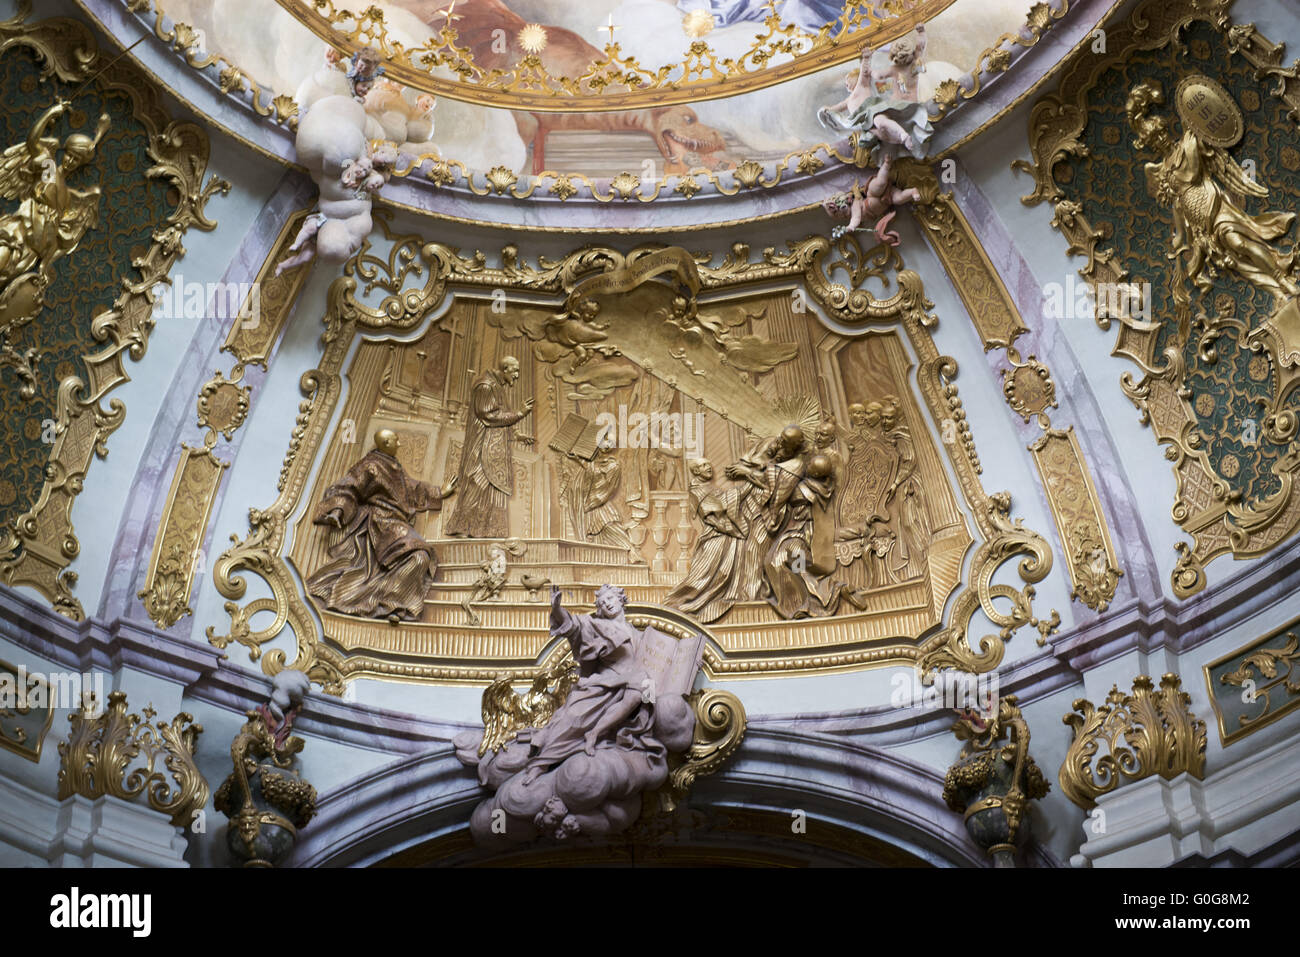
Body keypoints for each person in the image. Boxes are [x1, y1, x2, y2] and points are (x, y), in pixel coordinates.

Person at [306, 428, 456, 622]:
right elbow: (347, 488)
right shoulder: (370, 466)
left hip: (395, 524)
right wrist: (337, 510)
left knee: (420, 556)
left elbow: (411, 488)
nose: (399, 444)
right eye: (396, 441)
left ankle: (392, 604)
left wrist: (438, 492)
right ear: (386, 444)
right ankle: (389, 603)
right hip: (382, 523)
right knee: (420, 555)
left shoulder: (393, 466)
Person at [446, 355, 534, 538]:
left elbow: (500, 416)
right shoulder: (486, 386)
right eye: (515, 371)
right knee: (477, 484)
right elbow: (489, 416)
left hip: (493, 449)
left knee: (490, 490)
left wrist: (517, 435)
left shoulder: (497, 386)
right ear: (505, 369)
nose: (517, 376)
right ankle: (463, 528)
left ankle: (484, 529)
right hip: (481, 447)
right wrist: (520, 413)